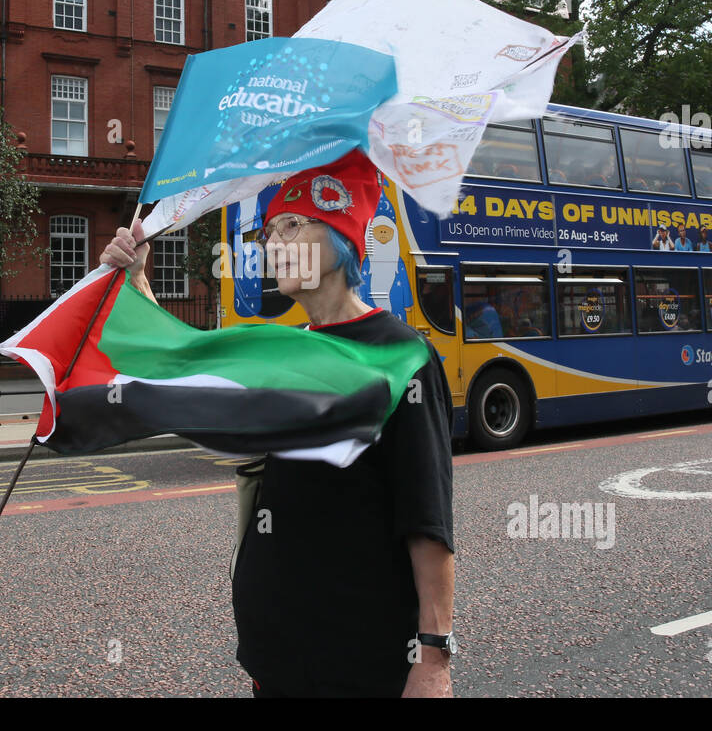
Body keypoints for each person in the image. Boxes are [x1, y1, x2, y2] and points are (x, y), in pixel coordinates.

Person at [102, 150, 455, 698]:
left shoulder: (398, 355)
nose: (275, 243)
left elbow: (426, 518)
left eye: (293, 225)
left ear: (341, 238)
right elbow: (188, 372)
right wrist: (135, 277)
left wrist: (432, 660)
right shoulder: (295, 347)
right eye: (269, 232)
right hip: (277, 656)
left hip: (357, 660)